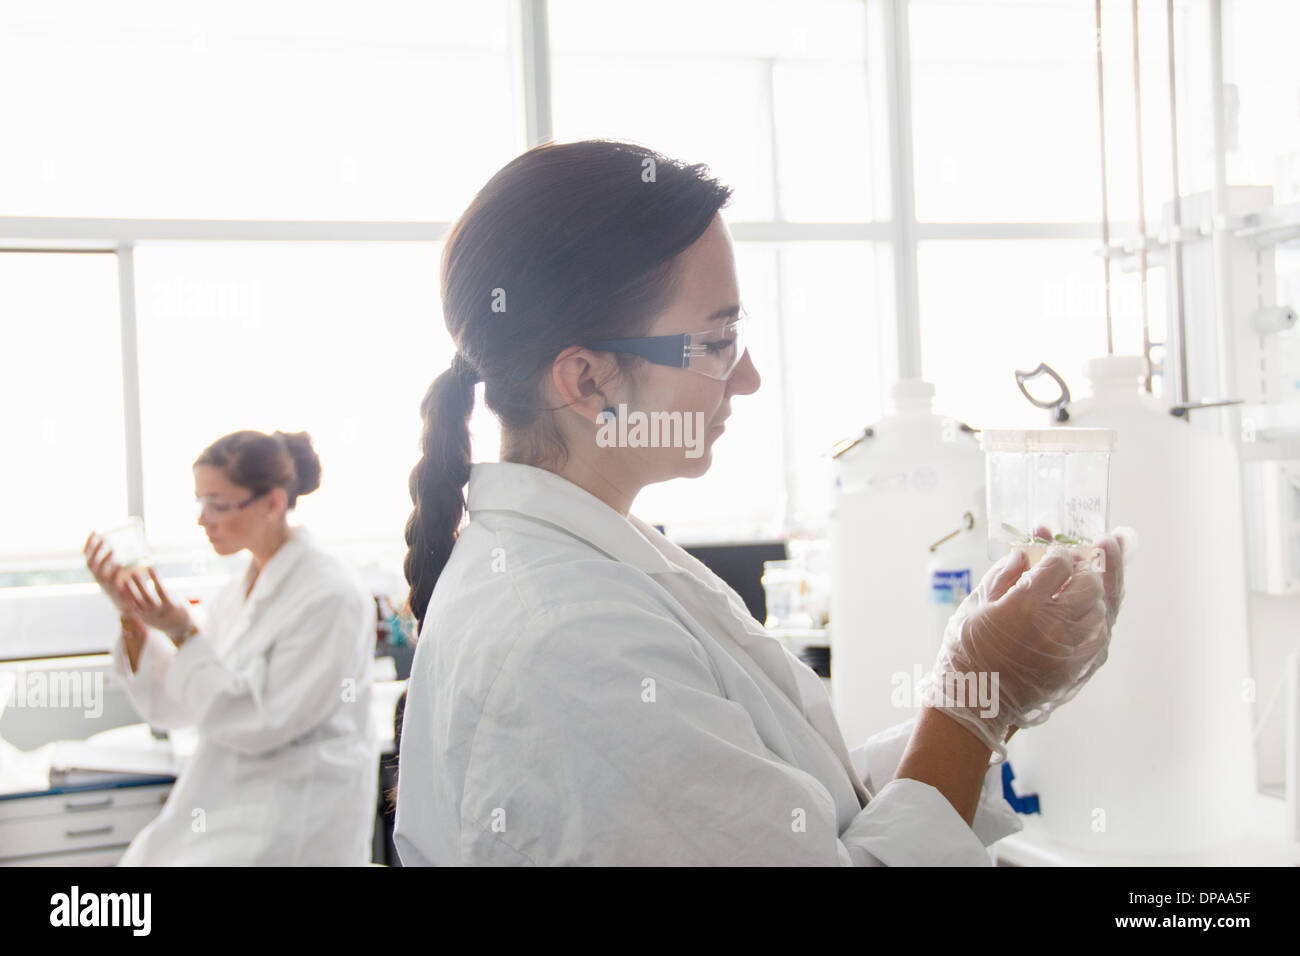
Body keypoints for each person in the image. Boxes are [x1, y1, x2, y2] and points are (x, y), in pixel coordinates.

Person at [392, 139, 1128, 866]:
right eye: (716, 340)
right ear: (587, 383)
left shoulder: (598, 564)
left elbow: (793, 809)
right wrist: (979, 703)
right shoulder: (568, 643)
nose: (747, 377)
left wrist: (989, 682)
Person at [83, 429, 377, 865]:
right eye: (200, 501)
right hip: (232, 809)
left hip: (293, 821)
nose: (204, 519)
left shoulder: (330, 596)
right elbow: (179, 707)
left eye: (218, 504)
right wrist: (130, 615)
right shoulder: (238, 593)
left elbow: (261, 721)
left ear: (273, 503)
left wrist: (184, 633)